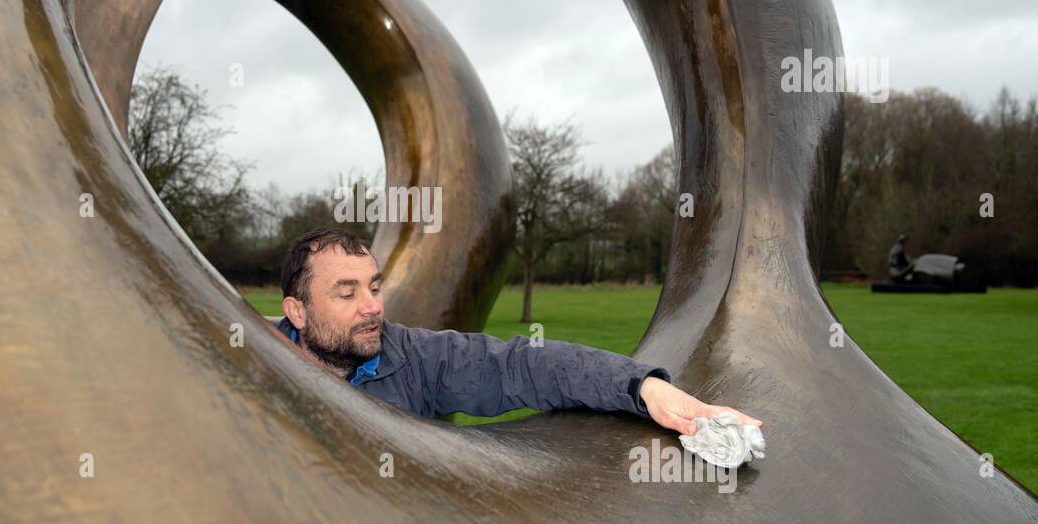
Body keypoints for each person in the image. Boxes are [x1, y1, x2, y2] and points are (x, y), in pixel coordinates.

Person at [274, 227, 762, 436]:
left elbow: (520, 364)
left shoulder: (413, 358)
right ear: (297, 311)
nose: (372, 307)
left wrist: (642, 387)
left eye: (374, 287)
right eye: (346, 293)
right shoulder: (256, 368)